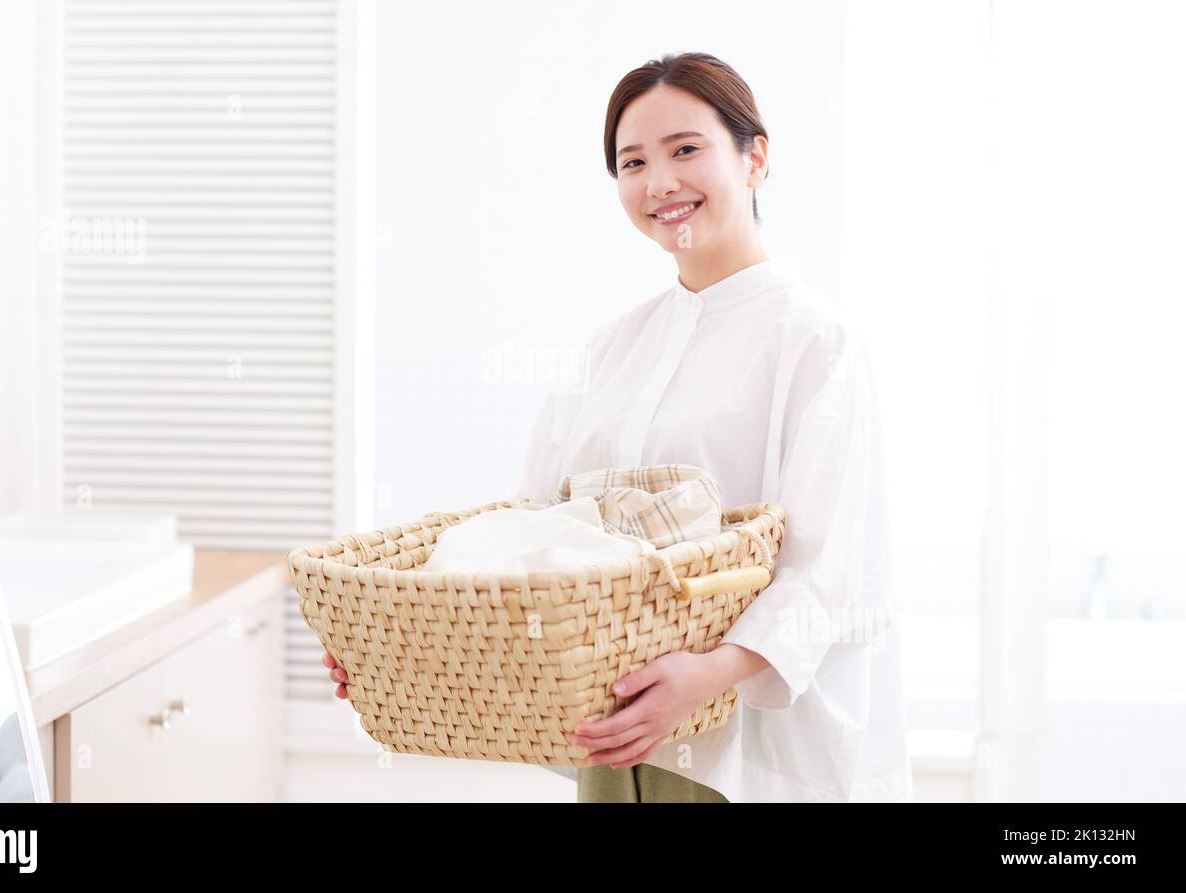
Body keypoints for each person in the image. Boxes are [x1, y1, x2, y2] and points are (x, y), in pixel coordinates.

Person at [326, 51, 914, 803]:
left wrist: (713, 671)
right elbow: (531, 535)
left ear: (755, 157)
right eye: (632, 161)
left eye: (685, 150)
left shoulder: (816, 343)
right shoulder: (612, 346)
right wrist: (401, 648)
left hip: (741, 756)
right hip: (615, 747)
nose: (659, 182)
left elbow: (831, 568)